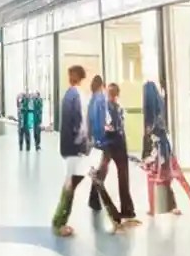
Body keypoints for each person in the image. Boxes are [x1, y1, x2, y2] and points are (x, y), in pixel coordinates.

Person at [90, 83, 139, 228]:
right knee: (114, 172)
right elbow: (108, 126)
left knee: (107, 171)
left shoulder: (116, 107)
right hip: (113, 143)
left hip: (114, 143)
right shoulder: (107, 108)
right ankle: (126, 208)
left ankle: (95, 200)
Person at [51, 65, 90, 237]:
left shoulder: (67, 95)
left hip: (66, 146)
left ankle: (59, 220)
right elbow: (80, 124)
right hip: (75, 147)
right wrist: (85, 143)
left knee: (71, 181)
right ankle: (59, 221)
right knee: (71, 183)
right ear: (81, 78)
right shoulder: (78, 95)